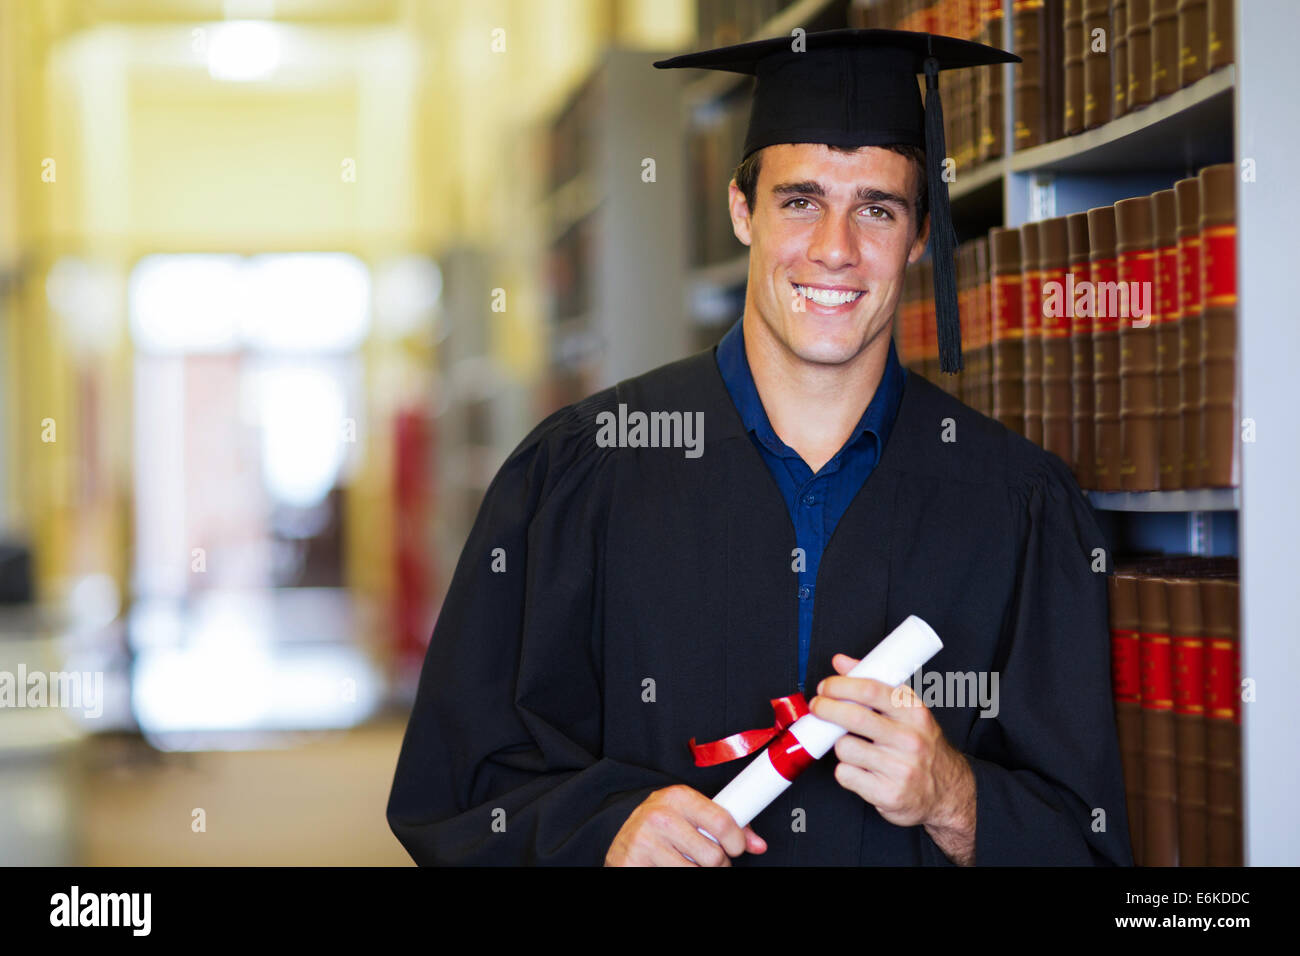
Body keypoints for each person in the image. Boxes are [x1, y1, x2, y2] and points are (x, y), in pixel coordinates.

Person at [387, 28, 1134, 867]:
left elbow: (1089, 844)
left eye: (877, 209)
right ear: (742, 212)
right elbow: (458, 792)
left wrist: (953, 797)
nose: (835, 249)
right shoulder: (582, 472)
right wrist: (602, 832)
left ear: (921, 235)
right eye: (800, 201)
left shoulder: (1017, 504)